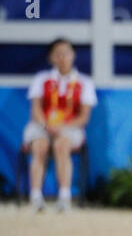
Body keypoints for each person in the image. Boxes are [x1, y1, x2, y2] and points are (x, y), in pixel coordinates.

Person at [24, 37, 97, 212]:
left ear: (73, 56)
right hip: (41, 125)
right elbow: (35, 110)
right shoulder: (41, 79)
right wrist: (46, 126)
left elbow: (84, 117)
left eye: (66, 53)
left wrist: (62, 128)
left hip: (70, 128)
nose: (62, 57)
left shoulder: (85, 82)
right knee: (40, 146)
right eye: (58, 54)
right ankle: (36, 198)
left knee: (61, 145)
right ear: (51, 58)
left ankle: (64, 198)